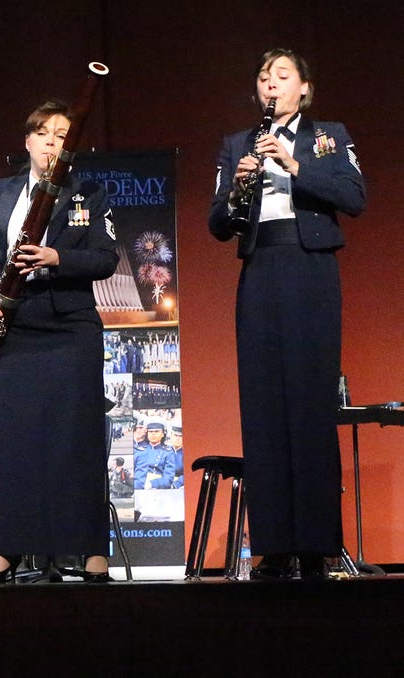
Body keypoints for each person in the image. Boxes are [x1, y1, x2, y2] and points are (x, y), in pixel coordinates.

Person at [209, 49, 365, 579]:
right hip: (261, 269)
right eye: (263, 78)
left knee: (309, 404)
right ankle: (273, 546)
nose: (270, 85)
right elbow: (218, 223)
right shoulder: (236, 143)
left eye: (281, 76)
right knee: (263, 406)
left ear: (304, 88)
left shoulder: (330, 135)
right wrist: (237, 188)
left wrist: (294, 165)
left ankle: (316, 545)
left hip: (311, 268)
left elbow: (354, 196)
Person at [0, 99, 119, 584]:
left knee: (79, 443)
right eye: (45, 134)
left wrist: (54, 257)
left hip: (71, 330)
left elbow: (107, 259)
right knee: (18, 444)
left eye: (62, 136)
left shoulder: (89, 194)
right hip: (17, 329)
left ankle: (91, 551)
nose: (53, 143)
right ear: (28, 141)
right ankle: (9, 549)